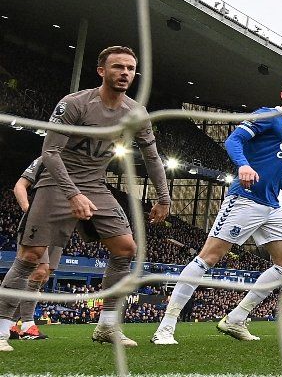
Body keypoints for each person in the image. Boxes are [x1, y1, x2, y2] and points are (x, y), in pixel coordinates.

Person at [0, 46, 171, 351]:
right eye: (118, 67)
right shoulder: (75, 104)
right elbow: (49, 153)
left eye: (131, 69)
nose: (125, 73)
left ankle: (106, 327)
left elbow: (153, 157)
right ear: (102, 71)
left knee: (126, 249)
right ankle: (1, 329)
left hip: (95, 185)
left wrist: (164, 197)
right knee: (29, 258)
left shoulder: (136, 112)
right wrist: (73, 194)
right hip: (56, 182)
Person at [151, 78, 282, 345]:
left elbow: (277, 175)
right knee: (208, 258)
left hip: (271, 205)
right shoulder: (268, 115)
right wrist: (243, 165)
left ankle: (235, 319)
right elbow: (234, 141)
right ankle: (165, 327)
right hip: (245, 199)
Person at [6, 157, 65, 341]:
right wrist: (28, 210)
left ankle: (12, 323)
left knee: (45, 273)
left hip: (61, 225)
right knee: (37, 271)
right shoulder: (45, 159)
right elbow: (19, 186)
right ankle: (28, 325)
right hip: (39, 222)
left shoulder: (82, 163)